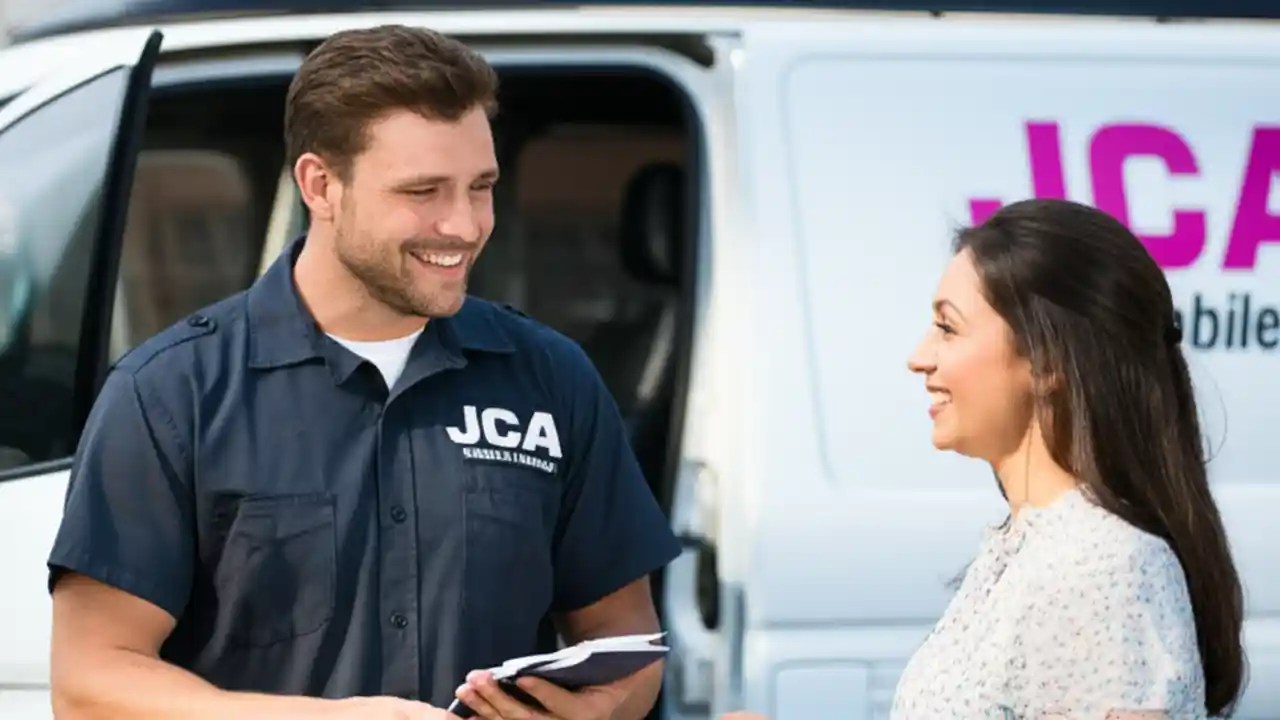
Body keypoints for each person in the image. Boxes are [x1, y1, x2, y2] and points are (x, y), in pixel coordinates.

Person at [46, 24, 682, 720]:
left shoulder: (553, 380)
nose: (465, 225)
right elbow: (90, 684)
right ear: (321, 185)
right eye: (424, 191)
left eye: (481, 186)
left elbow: (628, 647)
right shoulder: (171, 394)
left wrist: (600, 712)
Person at [724, 198, 1246, 720]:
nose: (919, 357)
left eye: (948, 328)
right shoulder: (1030, 546)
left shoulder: (1102, 568)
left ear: (1047, 362)